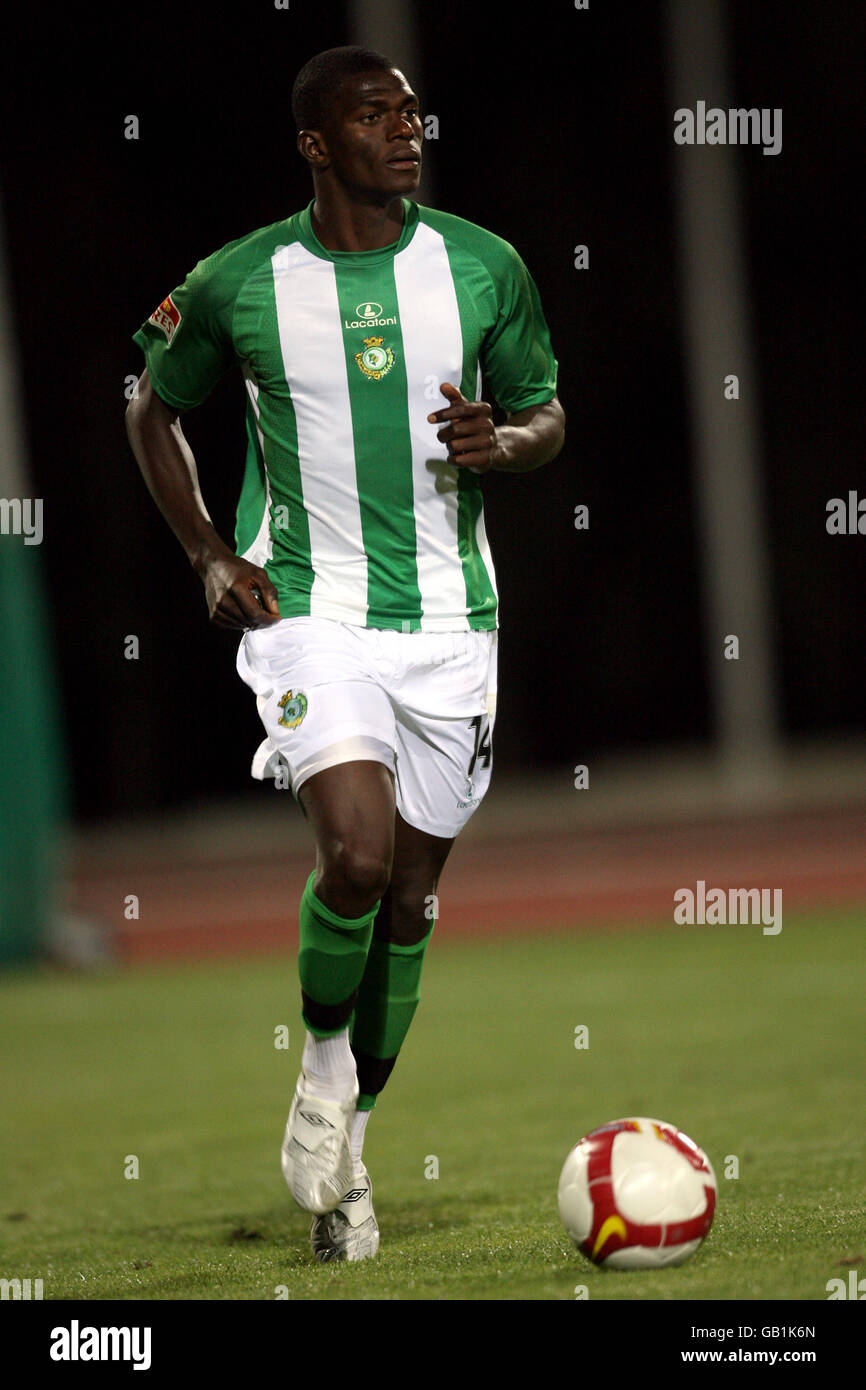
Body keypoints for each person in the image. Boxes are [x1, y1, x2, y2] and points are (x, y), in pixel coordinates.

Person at [125, 44, 564, 1263]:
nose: (405, 129)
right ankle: (322, 1077)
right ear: (316, 143)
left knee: (413, 898)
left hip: (449, 625)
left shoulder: (482, 264)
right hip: (308, 610)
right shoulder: (241, 279)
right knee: (358, 858)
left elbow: (545, 410)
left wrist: (506, 443)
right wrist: (212, 551)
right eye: (374, 115)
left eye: (413, 111)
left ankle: (350, 1147)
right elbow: (148, 406)